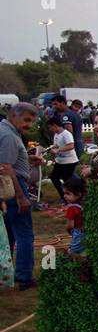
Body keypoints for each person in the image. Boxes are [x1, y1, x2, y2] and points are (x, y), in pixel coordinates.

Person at [0, 102, 37, 290]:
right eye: (26, 120)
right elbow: (6, 167)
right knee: (24, 233)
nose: (29, 125)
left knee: (9, 234)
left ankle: (6, 272)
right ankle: (24, 276)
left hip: (8, 187)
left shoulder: (8, 132)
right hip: (13, 187)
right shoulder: (7, 135)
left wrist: (28, 159)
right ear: (14, 115)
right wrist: (21, 196)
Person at [46, 114, 80, 204]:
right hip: (60, 161)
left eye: (50, 127)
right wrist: (51, 149)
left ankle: (71, 198)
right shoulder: (56, 134)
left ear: (55, 125)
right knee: (54, 177)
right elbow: (57, 145)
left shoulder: (66, 134)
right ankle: (64, 196)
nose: (50, 129)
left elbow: (71, 146)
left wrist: (58, 150)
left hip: (69, 161)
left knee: (67, 181)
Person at [48, 93, 86, 159]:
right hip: (77, 146)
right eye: (53, 104)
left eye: (55, 104)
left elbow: (68, 134)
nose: (54, 106)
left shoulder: (66, 116)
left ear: (62, 103)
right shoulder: (73, 113)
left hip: (72, 149)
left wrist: (59, 148)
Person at [63, 176, 86, 255]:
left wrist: (68, 230)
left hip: (78, 232)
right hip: (87, 231)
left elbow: (70, 225)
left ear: (78, 195)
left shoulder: (72, 208)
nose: (64, 196)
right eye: (64, 193)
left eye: (68, 193)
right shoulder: (84, 205)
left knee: (73, 251)